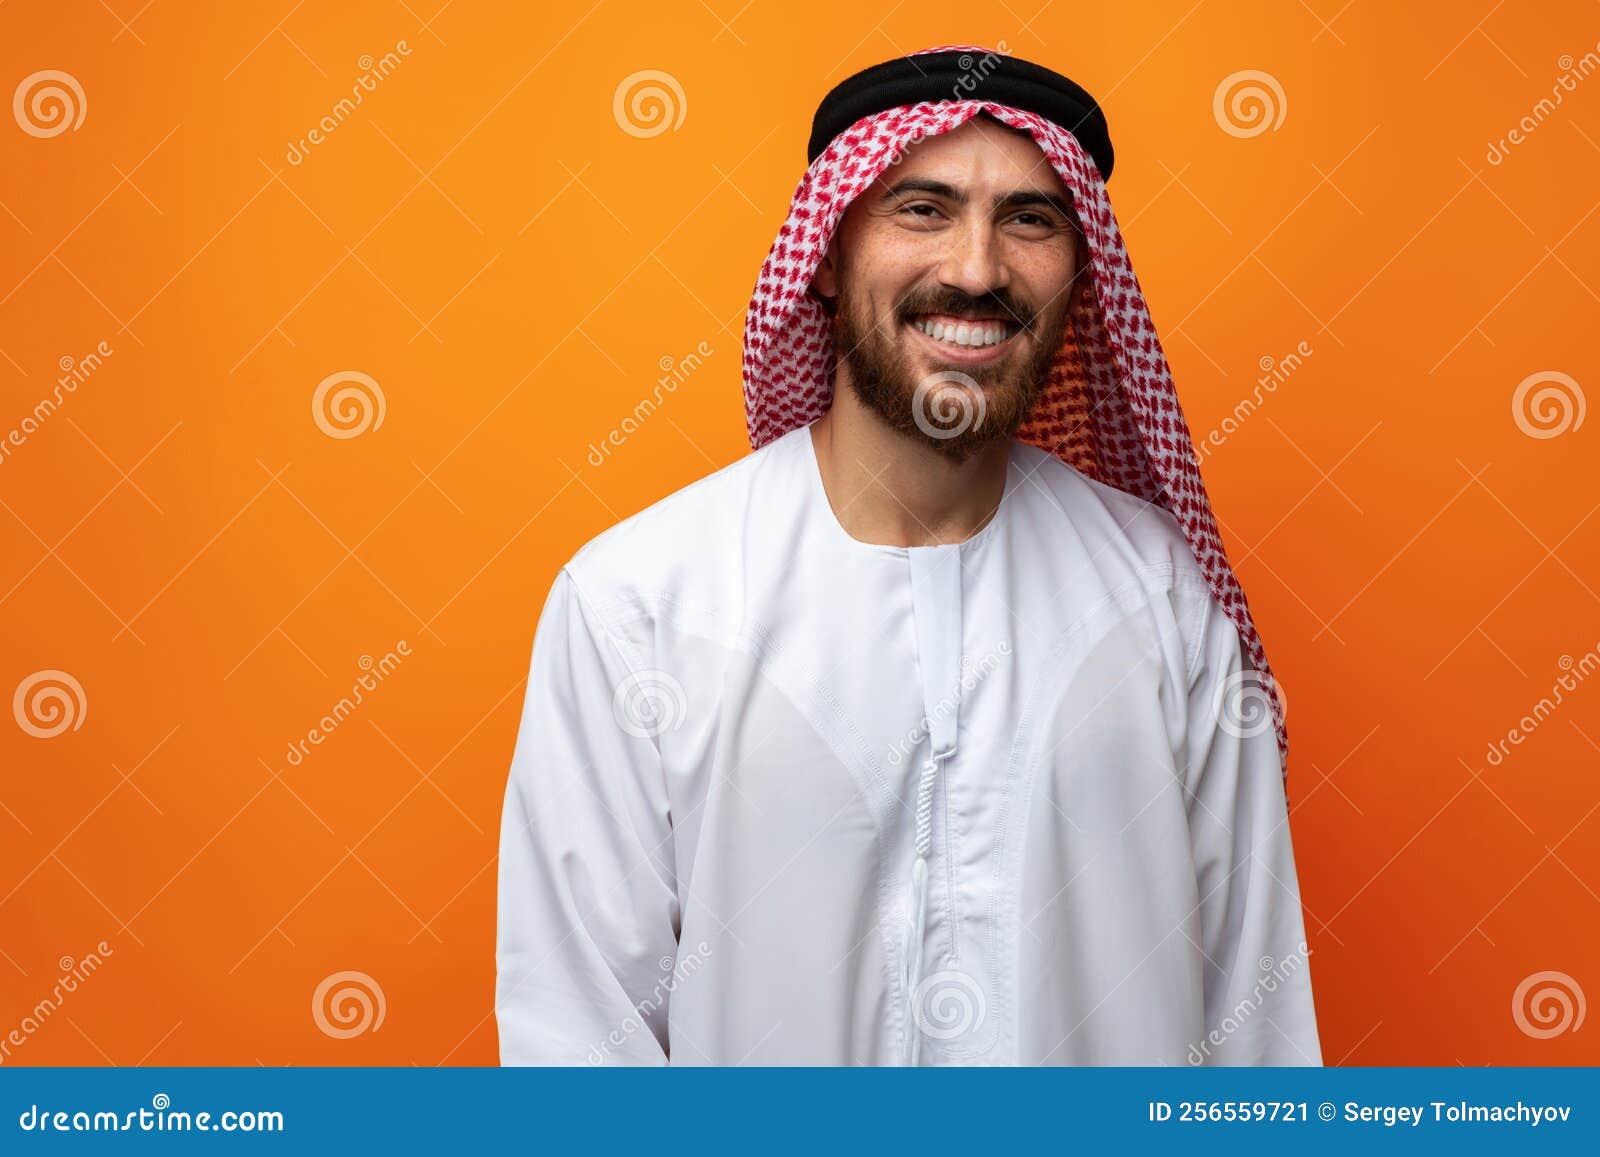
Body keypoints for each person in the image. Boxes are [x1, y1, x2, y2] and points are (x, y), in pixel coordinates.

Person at [495, 45, 1322, 1066]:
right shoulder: (641, 602)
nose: (976, 269)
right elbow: (579, 1040)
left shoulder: (1157, 591)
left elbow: (1255, 1023)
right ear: (829, 257)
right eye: (920, 208)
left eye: (1029, 217)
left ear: (1080, 268)